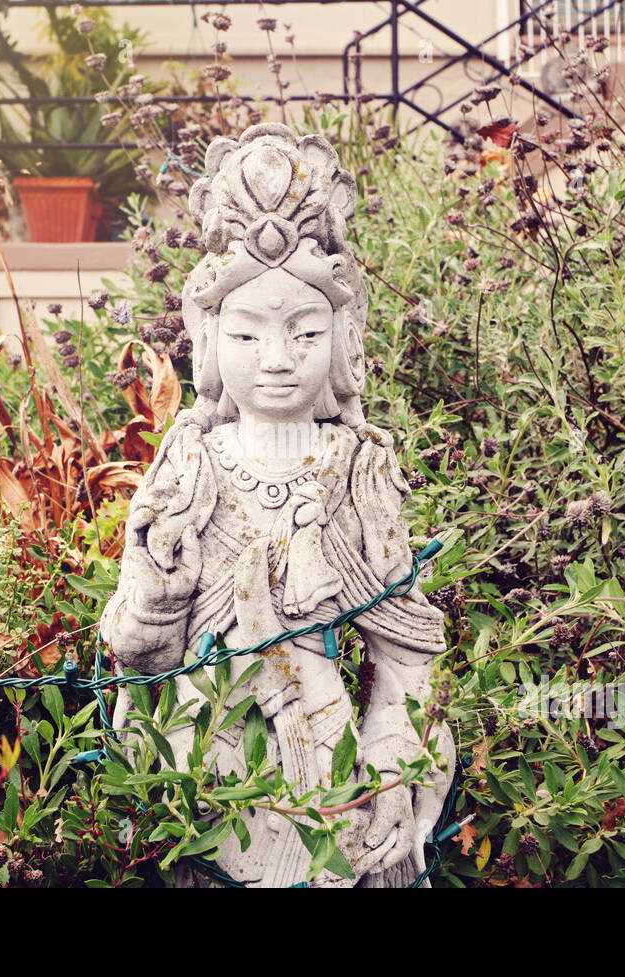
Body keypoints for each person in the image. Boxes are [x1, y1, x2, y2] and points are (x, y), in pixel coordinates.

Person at [99, 123, 453, 887]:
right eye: (248, 332)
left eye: (306, 331)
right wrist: (157, 604)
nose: (279, 358)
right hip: (206, 781)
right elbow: (135, 651)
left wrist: (393, 758)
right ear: (206, 335)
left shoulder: (357, 467)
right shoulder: (190, 463)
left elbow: (407, 652)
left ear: (344, 336)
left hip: (326, 778)